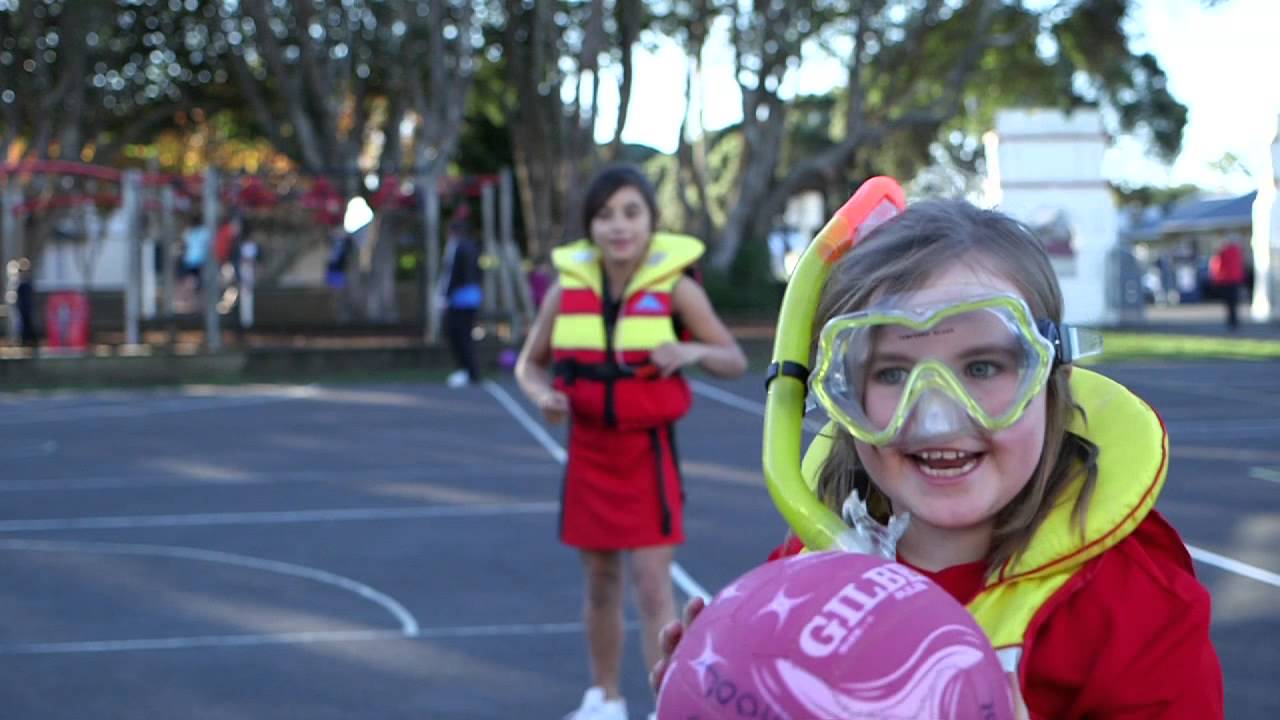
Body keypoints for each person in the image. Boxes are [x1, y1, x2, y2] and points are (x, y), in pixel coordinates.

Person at [651, 198, 1223, 718]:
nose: (935, 418)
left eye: (981, 367)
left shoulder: (1136, 608)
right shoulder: (811, 566)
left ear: (1050, 377)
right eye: (893, 373)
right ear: (842, 395)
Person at [516, 164, 747, 720]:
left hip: (647, 457)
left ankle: (663, 707)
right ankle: (604, 699)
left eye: (630, 212)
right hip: (589, 455)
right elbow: (530, 365)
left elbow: (733, 359)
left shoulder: (678, 290)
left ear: (651, 220)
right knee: (598, 584)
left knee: (651, 590)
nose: (618, 226)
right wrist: (543, 397)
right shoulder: (567, 293)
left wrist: (688, 352)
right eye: (604, 215)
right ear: (589, 226)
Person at [441, 207, 484, 387]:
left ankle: (468, 371)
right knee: (463, 335)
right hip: (471, 296)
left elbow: (453, 274)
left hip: (460, 298)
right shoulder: (473, 245)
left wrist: (445, 295)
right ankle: (469, 371)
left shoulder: (457, 247)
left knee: (458, 335)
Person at [1209, 240, 1245, 330]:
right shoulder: (1237, 252)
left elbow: (1217, 266)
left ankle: (1231, 322)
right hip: (1235, 279)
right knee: (1234, 302)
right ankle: (1234, 321)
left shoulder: (1222, 253)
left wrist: (1215, 278)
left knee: (1229, 303)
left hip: (1225, 280)